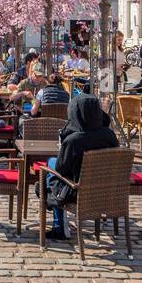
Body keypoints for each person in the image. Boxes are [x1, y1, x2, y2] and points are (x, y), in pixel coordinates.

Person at [43, 94, 119, 240]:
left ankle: (59, 226)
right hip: (107, 190)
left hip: (78, 191)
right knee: (52, 167)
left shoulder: (74, 141)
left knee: (51, 166)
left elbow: (61, 170)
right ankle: (59, 223)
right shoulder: (109, 135)